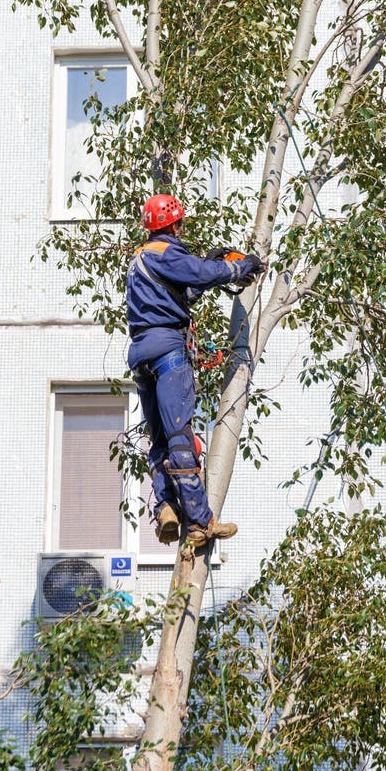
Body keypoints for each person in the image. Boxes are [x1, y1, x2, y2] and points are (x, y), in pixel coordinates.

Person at [126, 192, 265, 546]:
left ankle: (165, 508)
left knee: (159, 438)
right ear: (174, 224)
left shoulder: (139, 259)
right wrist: (239, 267)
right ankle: (201, 522)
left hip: (140, 353)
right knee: (179, 436)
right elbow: (202, 274)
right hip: (167, 350)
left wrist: (207, 267)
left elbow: (179, 295)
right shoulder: (165, 252)